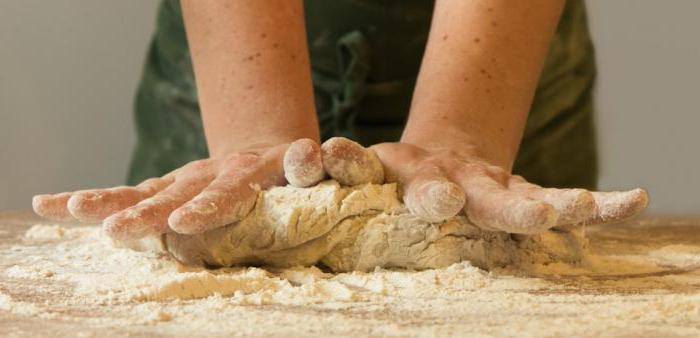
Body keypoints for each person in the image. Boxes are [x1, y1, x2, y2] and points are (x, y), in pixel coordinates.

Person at [33, 0, 647, 240]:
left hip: (493, 55)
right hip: (239, 51)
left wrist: (464, 135)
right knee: (215, 241)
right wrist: (254, 131)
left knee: (492, 255)